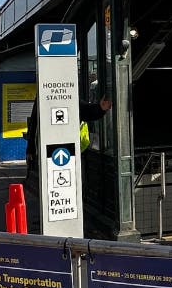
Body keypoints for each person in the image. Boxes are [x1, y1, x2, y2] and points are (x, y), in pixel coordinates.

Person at [23, 94, 112, 230]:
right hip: (49, 149)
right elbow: (35, 120)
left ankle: (67, 220)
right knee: (50, 186)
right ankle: (50, 220)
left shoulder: (69, 94)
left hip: (68, 149)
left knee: (68, 185)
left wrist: (100, 109)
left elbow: (84, 110)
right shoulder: (42, 94)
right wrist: (30, 148)